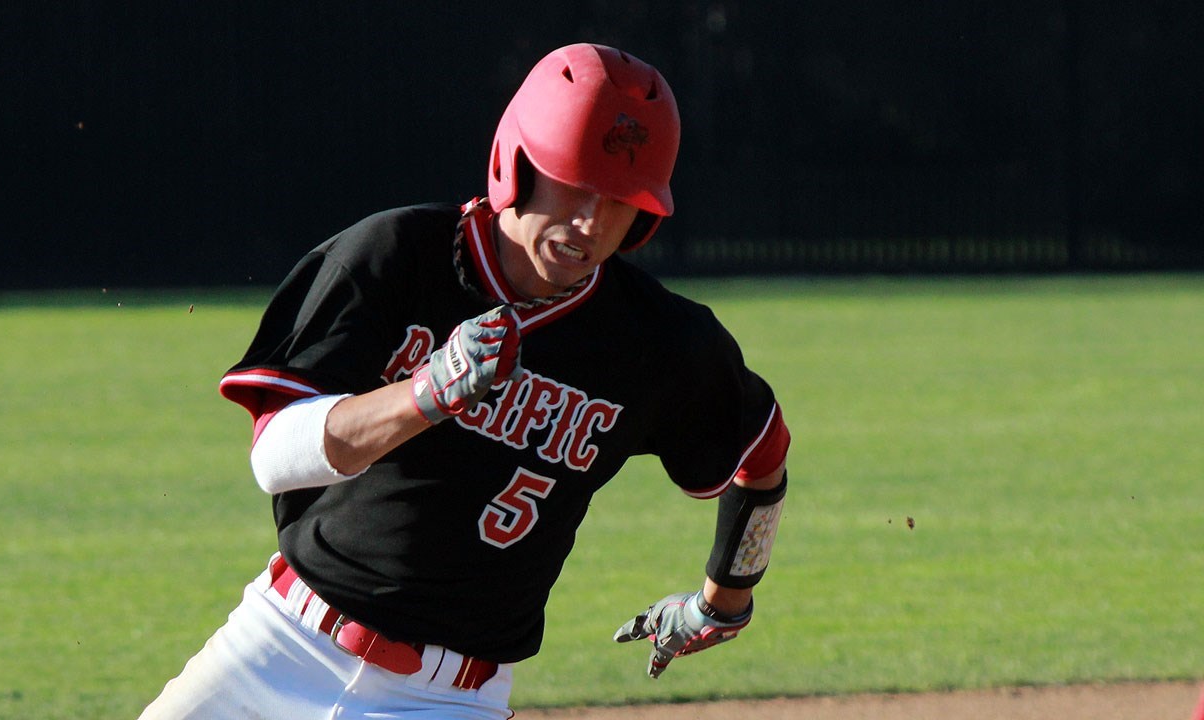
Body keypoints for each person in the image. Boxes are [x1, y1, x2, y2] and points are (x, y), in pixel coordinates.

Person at [139, 42, 791, 720]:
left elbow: (763, 453)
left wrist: (723, 604)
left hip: (447, 700)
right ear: (518, 163)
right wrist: (424, 395)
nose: (591, 222)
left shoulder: (657, 340)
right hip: (276, 647)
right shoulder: (396, 257)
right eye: (575, 183)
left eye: (620, 200)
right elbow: (276, 457)